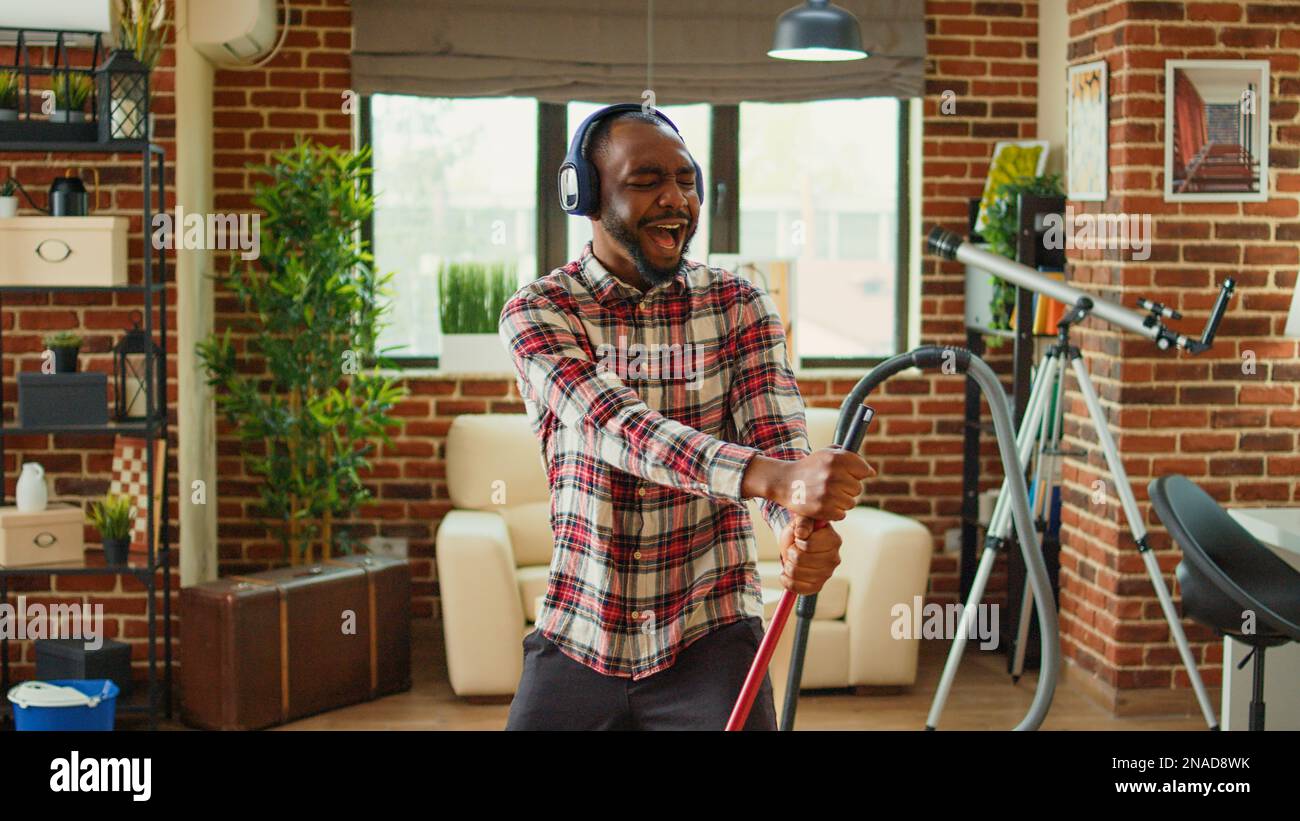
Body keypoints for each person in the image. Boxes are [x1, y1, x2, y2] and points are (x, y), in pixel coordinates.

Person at [498, 105, 873, 730]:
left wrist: (791, 524)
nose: (676, 200)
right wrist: (772, 478)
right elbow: (613, 426)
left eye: (687, 180)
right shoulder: (539, 311)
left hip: (712, 635)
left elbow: (775, 432)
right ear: (586, 195)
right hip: (580, 631)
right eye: (646, 181)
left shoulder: (739, 303)